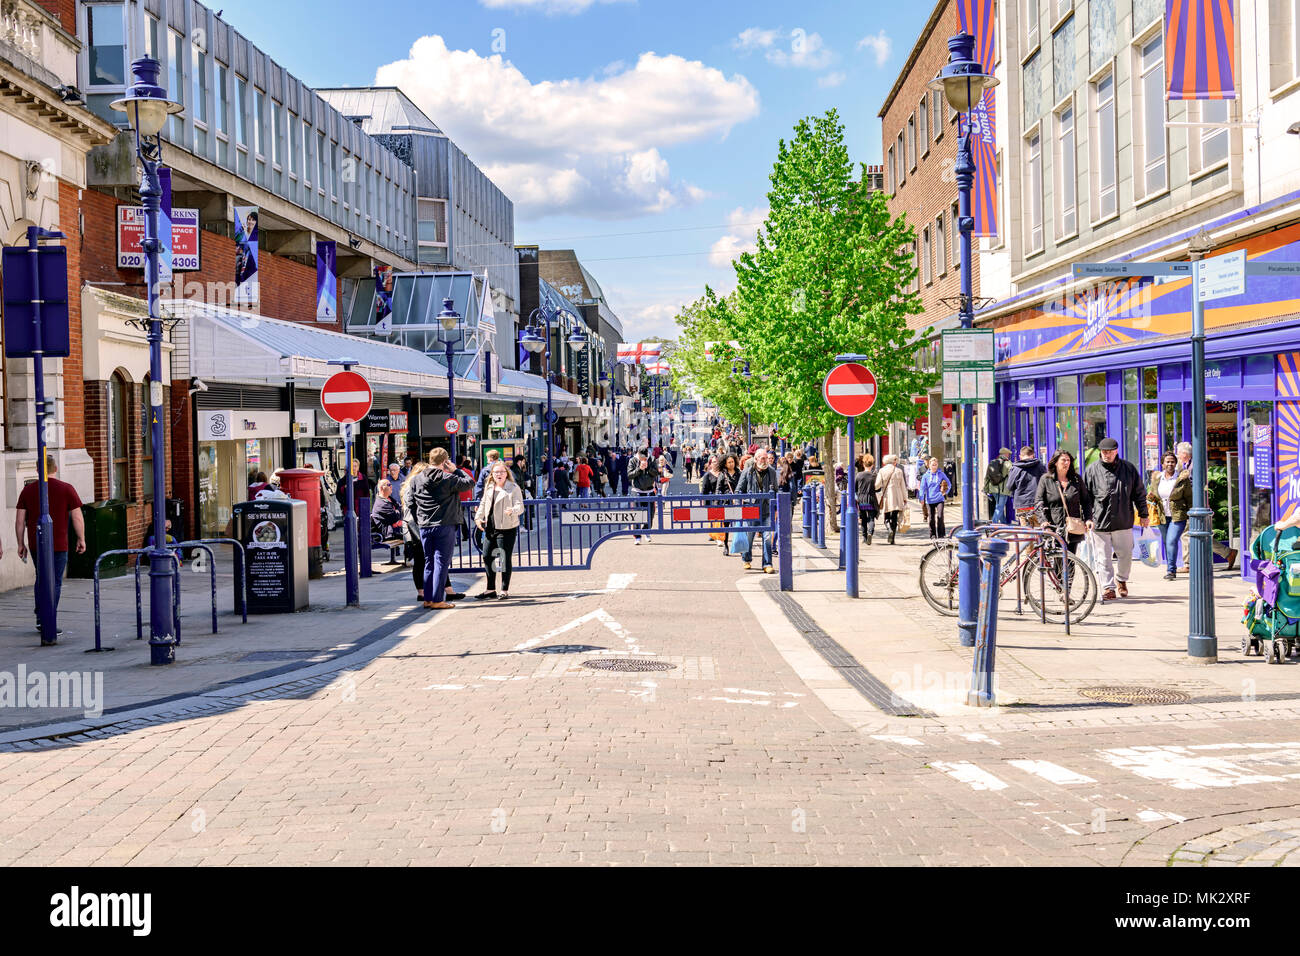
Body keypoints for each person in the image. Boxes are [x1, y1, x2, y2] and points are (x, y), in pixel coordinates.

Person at [13, 455, 85, 642]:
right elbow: (77, 517)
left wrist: (20, 543)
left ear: (37, 469)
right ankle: (48, 618)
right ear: (56, 468)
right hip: (59, 544)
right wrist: (81, 538)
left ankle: (40, 615)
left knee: (41, 578)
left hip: (37, 543)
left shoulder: (28, 491)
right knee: (55, 581)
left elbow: (20, 520)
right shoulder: (66, 489)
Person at [1083, 436, 1149, 602]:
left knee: (1125, 554)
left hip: (1123, 520)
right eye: (1104, 452)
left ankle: (1122, 579)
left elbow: (1139, 493)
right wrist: (1086, 518)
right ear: (1100, 452)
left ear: (1116, 451)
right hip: (1100, 521)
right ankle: (1108, 588)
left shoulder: (1129, 469)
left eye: (1110, 452)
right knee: (1102, 558)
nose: (1107, 455)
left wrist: (1144, 514)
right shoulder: (1091, 470)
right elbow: (1085, 497)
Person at [410, 448, 474, 610]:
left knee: (429, 563)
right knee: (441, 563)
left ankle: (428, 599)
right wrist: (456, 470)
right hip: (444, 525)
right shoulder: (448, 478)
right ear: (445, 461)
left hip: (424, 526)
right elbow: (470, 483)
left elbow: (411, 503)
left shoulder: (416, 479)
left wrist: (420, 520)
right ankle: (438, 600)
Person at [474, 461, 525, 601]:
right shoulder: (489, 487)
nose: (499, 474)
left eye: (502, 472)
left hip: (506, 527)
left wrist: (513, 510)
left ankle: (504, 589)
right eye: (496, 472)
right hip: (490, 527)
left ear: (506, 473)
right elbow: (483, 503)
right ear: (492, 474)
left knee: (503, 558)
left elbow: (520, 506)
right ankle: (490, 589)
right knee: (487, 556)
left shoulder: (513, 487)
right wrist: (478, 518)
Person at [1034, 448, 1092, 554]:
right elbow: (1038, 502)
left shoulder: (1076, 479)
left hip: (1072, 528)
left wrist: (1088, 519)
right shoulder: (1046, 479)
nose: (1067, 463)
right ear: (1055, 462)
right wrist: (1043, 521)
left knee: (1070, 561)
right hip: (1053, 527)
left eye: (1068, 460)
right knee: (1057, 562)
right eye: (1063, 460)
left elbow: (1086, 501)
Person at [1147, 451, 1192, 581]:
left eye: (1172, 461)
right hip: (1162, 515)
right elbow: (1153, 494)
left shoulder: (1181, 479)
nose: (1170, 464)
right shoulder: (1157, 478)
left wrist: (1191, 514)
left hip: (1178, 515)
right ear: (1162, 464)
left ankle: (1171, 570)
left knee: (1172, 540)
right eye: (1167, 461)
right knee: (1167, 542)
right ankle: (1170, 566)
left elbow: (1189, 497)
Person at [735, 448, 779, 572]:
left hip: (766, 509)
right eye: (762, 458)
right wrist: (739, 506)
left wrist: (775, 507)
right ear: (756, 459)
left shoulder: (772, 472)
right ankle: (746, 559)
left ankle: (767, 564)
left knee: (767, 537)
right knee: (749, 536)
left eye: (766, 458)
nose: (765, 461)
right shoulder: (748, 472)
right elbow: (739, 490)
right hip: (751, 509)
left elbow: (775, 490)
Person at [400, 461, 429, 601]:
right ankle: (422, 591)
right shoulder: (413, 485)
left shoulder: (409, 485)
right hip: (415, 526)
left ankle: (422, 591)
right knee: (420, 559)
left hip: (412, 525)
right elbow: (413, 507)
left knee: (420, 560)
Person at [1006, 446, 1046, 526]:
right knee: (1039, 530)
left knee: (1026, 531)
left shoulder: (1015, 468)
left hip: (1021, 504)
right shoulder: (1040, 466)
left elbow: (1009, 486)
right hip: (1037, 503)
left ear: (1020, 456)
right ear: (1033, 455)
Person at [875, 453, 908, 545]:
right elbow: (903, 486)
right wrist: (905, 498)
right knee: (894, 517)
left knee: (886, 516)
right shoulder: (899, 471)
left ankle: (889, 529)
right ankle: (892, 538)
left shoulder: (882, 471)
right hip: (898, 496)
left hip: (887, 496)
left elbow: (877, 485)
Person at [629, 452, 660, 544]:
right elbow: (629, 475)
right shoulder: (632, 460)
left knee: (650, 513)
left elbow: (656, 473)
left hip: (649, 491)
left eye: (645, 458)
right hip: (637, 491)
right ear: (638, 455)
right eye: (642, 458)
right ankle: (637, 536)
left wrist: (648, 468)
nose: (644, 460)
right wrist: (639, 469)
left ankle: (646, 531)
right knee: (636, 515)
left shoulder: (652, 459)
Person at [918, 457, 951, 540]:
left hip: (940, 499)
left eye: (936, 465)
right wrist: (921, 498)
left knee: (940, 517)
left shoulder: (941, 474)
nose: (934, 467)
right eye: (933, 465)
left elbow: (949, 484)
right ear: (929, 465)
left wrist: (944, 493)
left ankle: (941, 535)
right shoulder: (926, 476)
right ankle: (933, 535)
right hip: (929, 500)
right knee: (931, 518)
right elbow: (922, 488)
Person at [984, 447, 1013, 523]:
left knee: (999, 507)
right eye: (1008, 454)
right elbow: (1013, 475)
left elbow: (987, 477)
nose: (1009, 455)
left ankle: (1004, 524)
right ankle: (993, 525)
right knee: (1000, 508)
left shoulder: (992, 462)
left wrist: (986, 488)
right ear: (1006, 454)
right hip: (1003, 490)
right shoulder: (1008, 463)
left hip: (993, 489)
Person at [856, 453, 879, 545]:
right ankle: (870, 532)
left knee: (863, 518)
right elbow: (878, 488)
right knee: (871, 518)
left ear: (863, 464)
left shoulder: (859, 475)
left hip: (861, 499)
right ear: (872, 465)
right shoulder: (874, 475)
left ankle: (864, 537)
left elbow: (854, 488)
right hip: (871, 499)